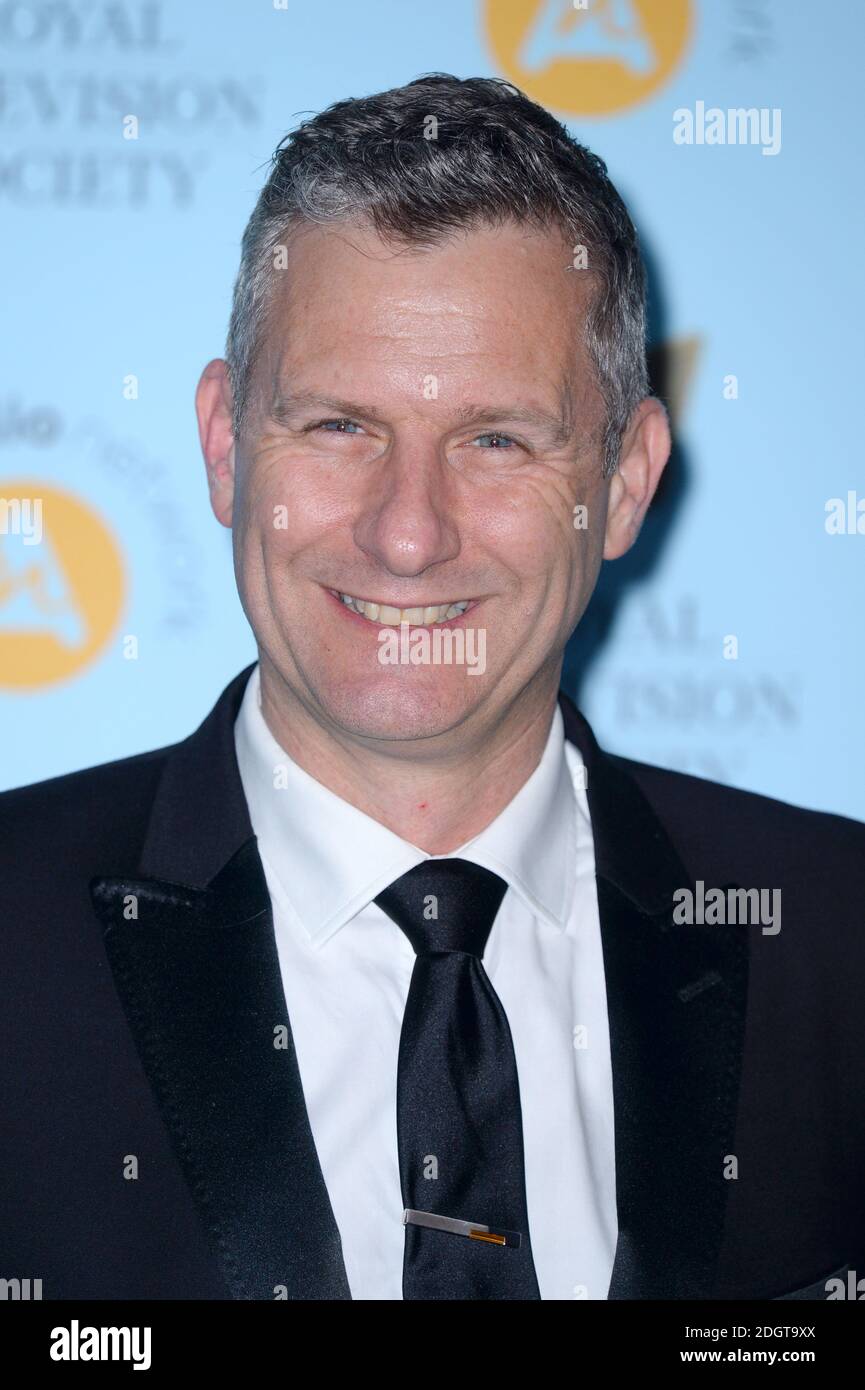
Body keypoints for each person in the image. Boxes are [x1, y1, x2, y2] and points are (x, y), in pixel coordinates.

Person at [1, 75, 863, 1303]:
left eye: (497, 439)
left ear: (623, 483)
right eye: (340, 426)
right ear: (223, 447)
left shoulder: (836, 939)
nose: (408, 535)